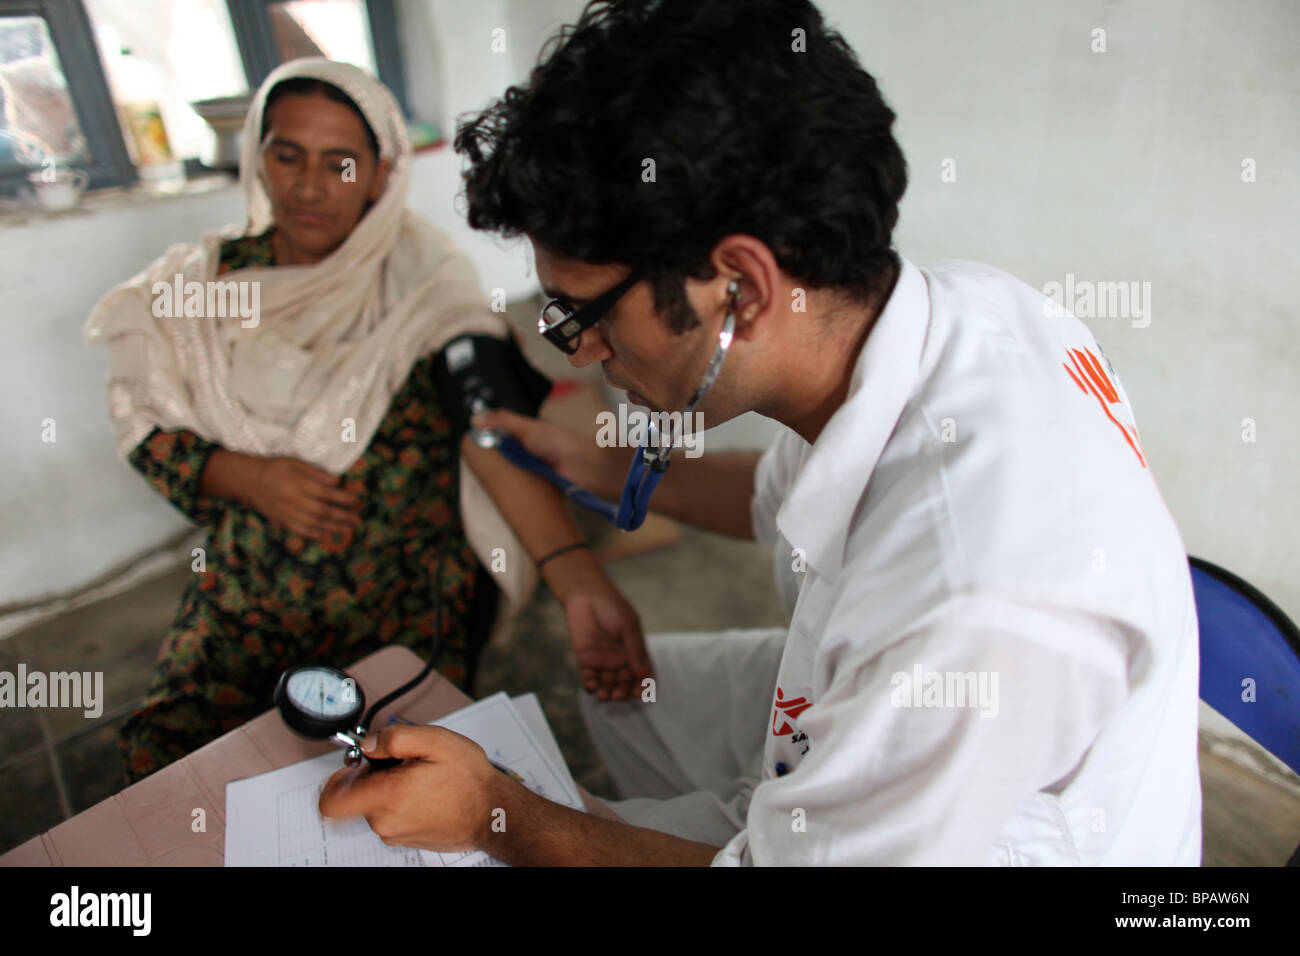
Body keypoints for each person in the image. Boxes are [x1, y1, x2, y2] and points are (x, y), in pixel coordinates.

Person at [316, 0, 1202, 865]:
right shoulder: (953, 313)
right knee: (629, 696)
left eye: (582, 312)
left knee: (527, 803)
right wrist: (606, 463)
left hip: (987, 822)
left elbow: (934, 613)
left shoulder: (968, 603)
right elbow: (775, 491)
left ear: (739, 287)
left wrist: (497, 821)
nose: (579, 352)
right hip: (884, 687)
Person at [85, 57, 650, 784]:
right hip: (248, 582)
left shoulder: (424, 284)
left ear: (382, 174)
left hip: (400, 593)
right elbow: (143, 417)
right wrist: (245, 476)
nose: (310, 186)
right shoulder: (201, 287)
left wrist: (577, 579)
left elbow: (489, 430)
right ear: (259, 158)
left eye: (340, 164)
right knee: (169, 762)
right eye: (287, 155)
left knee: (387, 777)